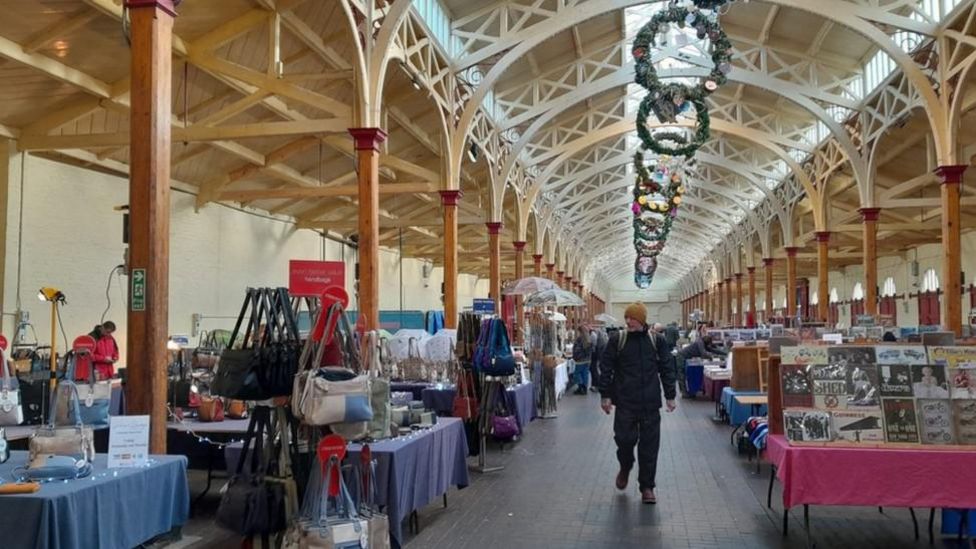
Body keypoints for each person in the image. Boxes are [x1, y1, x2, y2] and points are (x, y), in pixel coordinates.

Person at [599, 303, 677, 504]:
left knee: (650, 447)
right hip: (625, 402)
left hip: (650, 403)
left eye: (632, 318)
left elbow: (667, 367)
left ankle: (647, 487)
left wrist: (670, 395)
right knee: (624, 440)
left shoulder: (656, 341)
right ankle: (626, 465)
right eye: (626, 318)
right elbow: (605, 367)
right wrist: (605, 396)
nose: (628, 321)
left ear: (641, 320)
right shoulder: (618, 339)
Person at [572, 325, 592, 395]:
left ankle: (580, 387)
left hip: (580, 360)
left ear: (580, 331)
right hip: (587, 360)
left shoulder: (580, 339)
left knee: (576, 374)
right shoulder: (588, 338)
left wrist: (575, 356)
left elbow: (577, 350)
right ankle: (585, 388)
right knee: (585, 374)